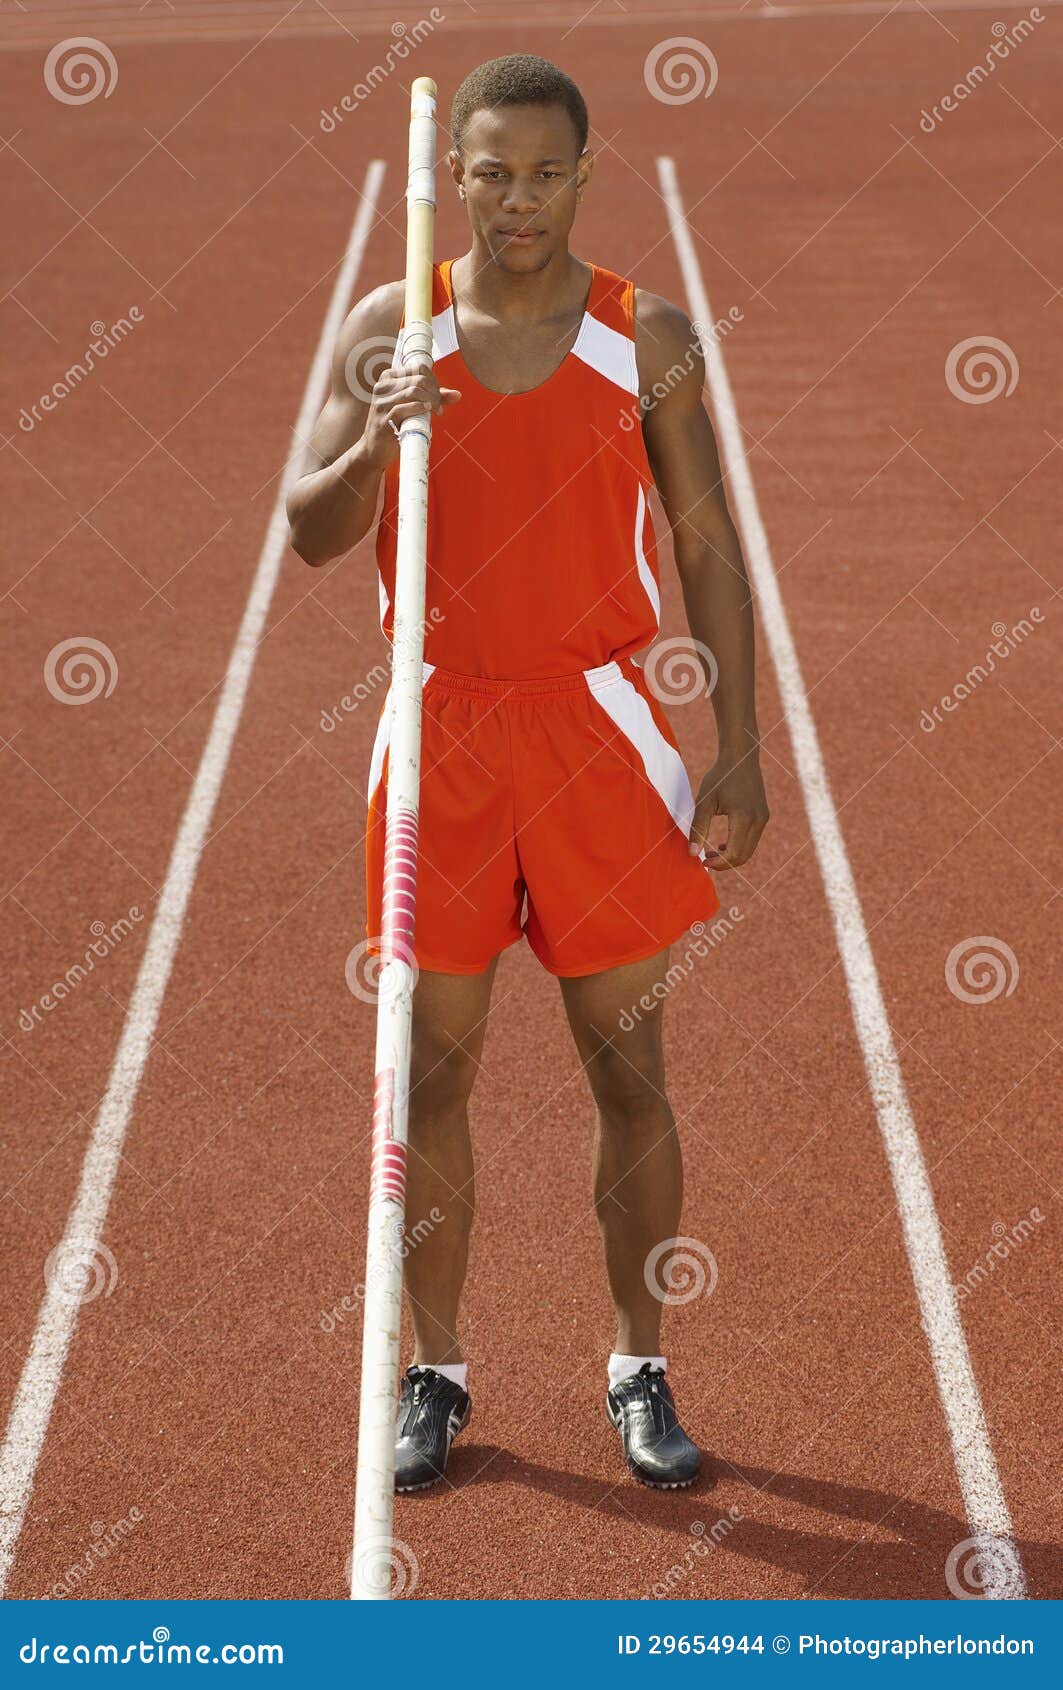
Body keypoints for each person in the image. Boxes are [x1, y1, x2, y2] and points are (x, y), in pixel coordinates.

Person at [287, 54, 769, 1493]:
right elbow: (313, 530)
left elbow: (708, 546)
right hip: (440, 738)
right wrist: (383, 430)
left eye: (544, 173)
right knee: (430, 1070)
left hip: (598, 735)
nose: (516, 200)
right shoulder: (393, 324)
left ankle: (640, 1363)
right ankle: (431, 1369)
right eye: (490, 172)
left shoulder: (644, 333)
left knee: (629, 1066)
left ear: (583, 173)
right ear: (459, 175)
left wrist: (737, 747)